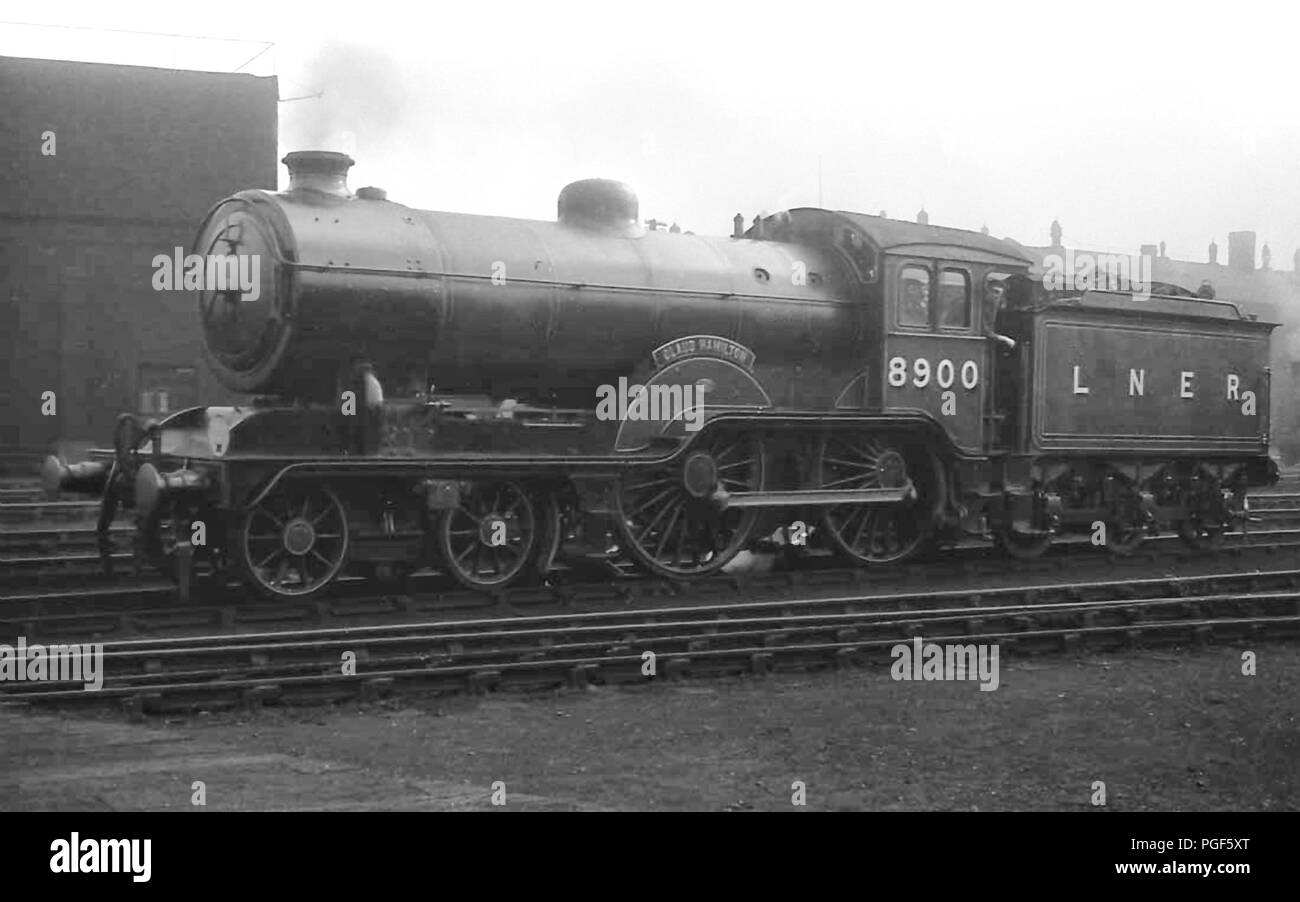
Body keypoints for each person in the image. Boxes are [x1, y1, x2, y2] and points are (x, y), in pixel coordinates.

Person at [983, 280, 1016, 350]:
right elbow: (984, 331)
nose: (996, 296)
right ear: (987, 291)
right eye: (995, 291)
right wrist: (1004, 339)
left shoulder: (994, 305)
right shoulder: (983, 308)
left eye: (999, 293)